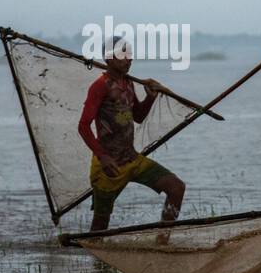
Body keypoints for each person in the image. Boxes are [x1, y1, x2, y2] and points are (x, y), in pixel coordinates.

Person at [77, 39, 185, 239]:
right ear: (109, 58)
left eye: (130, 55)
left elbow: (138, 116)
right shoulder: (99, 86)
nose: (129, 59)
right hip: (108, 167)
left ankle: (163, 241)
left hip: (132, 160)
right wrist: (102, 157)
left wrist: (151, 97)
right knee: (100, 226)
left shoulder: (128, 83)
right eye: (123, 55)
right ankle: (94, 259)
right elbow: (83, 126)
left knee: (176, 188)